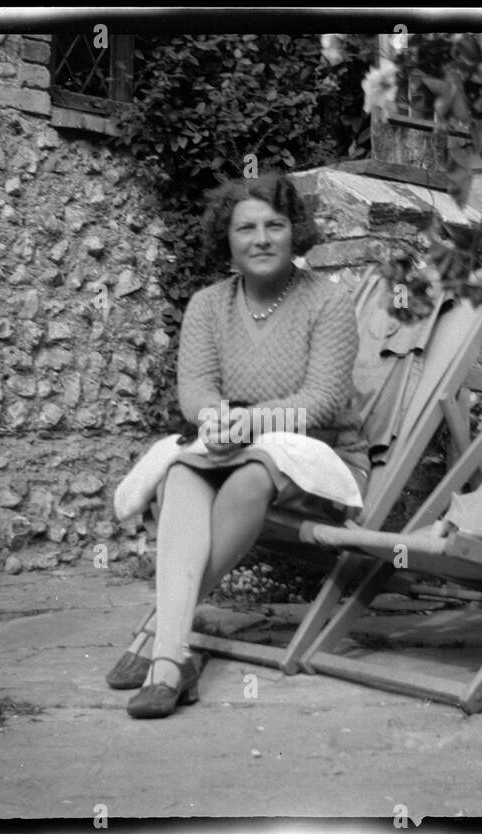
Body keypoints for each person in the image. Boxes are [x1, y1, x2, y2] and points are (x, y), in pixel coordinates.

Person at [110, 174, 370, 719]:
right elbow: (196, 392)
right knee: (182, 471)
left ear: (295, 233)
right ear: (225, 239)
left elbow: (320, 403)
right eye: (245, 227)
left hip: (317, 459)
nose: (261, 238)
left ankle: (158, 637)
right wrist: (219, 420)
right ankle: (171, 662)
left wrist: (244, 424)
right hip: (236, 445)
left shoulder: (330, 304)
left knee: (252, 472)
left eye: (275, 225)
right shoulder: (208, 306)